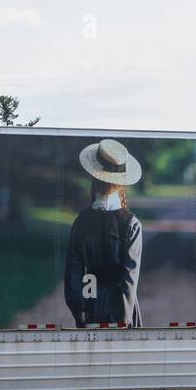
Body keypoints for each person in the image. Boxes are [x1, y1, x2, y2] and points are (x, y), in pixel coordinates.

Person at [64, 139, 143, 327]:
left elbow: (73, 275)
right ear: (121, 183)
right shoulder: (131, 224)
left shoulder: (80, 222)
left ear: (94, 176)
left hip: (89, 306)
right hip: (121, 310)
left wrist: (80, 311)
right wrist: (122, 320)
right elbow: (128, 280)